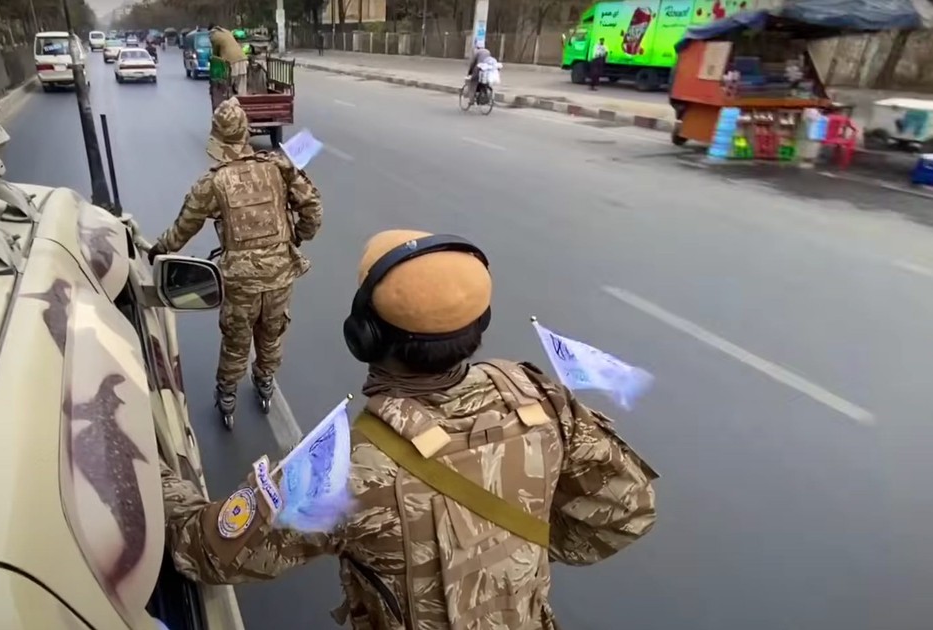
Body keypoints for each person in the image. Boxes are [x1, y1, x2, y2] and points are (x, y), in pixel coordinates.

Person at [158, 228, 660, 629]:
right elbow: (625, 513)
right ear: (476, 330)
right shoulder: (538, 398)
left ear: (365, 336)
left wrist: (160, 481)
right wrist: (509, 556)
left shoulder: (348, 468)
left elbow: (205, 553)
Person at [147, 98, 322, 428]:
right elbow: (313, 207)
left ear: (217, 137)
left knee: (236, 341)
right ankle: (265, 381)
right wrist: (298, 237)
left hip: (238, 283)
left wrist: (157, 251)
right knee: (271, 335)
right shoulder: (279, 168)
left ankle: (227, 396)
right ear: (245, 132)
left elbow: (184, 227)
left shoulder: (212, 183)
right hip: (279, 275)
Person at [209, 23, 249, 94]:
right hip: (243, 59)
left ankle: (231, 102)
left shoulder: (213, 35)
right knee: (241, 85)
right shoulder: (227, 31)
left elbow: (215, 53)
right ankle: (243, 100)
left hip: (231, 62)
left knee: (230, 85)